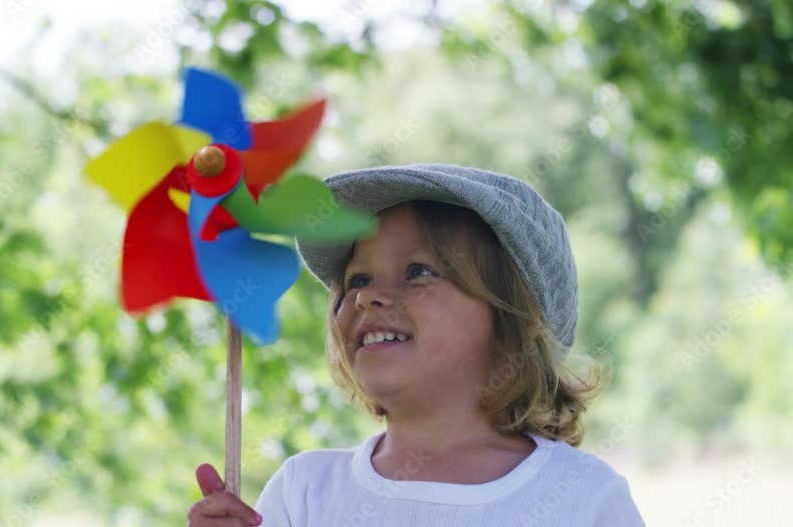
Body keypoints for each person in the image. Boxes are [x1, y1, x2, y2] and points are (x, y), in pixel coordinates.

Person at [187, 164, 645, 526]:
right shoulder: (303, 491)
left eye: (419, 272)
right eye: (357, 280)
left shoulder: (583, 499)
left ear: (512, 322)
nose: (367, 296)